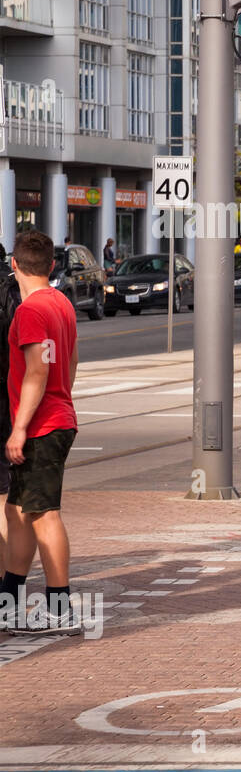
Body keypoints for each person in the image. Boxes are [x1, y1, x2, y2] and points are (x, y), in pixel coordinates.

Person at [0, 231, 80, 635]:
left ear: (14, 264)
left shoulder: (29, 312)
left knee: (44, 514)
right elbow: (70, 359)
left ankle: (60, 608)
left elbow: (37, 370)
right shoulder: (61, 303)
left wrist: (18, 428)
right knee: (20, 514)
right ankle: (9, 601)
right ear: (51, 265)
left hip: (41, 425)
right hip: (56, 417)